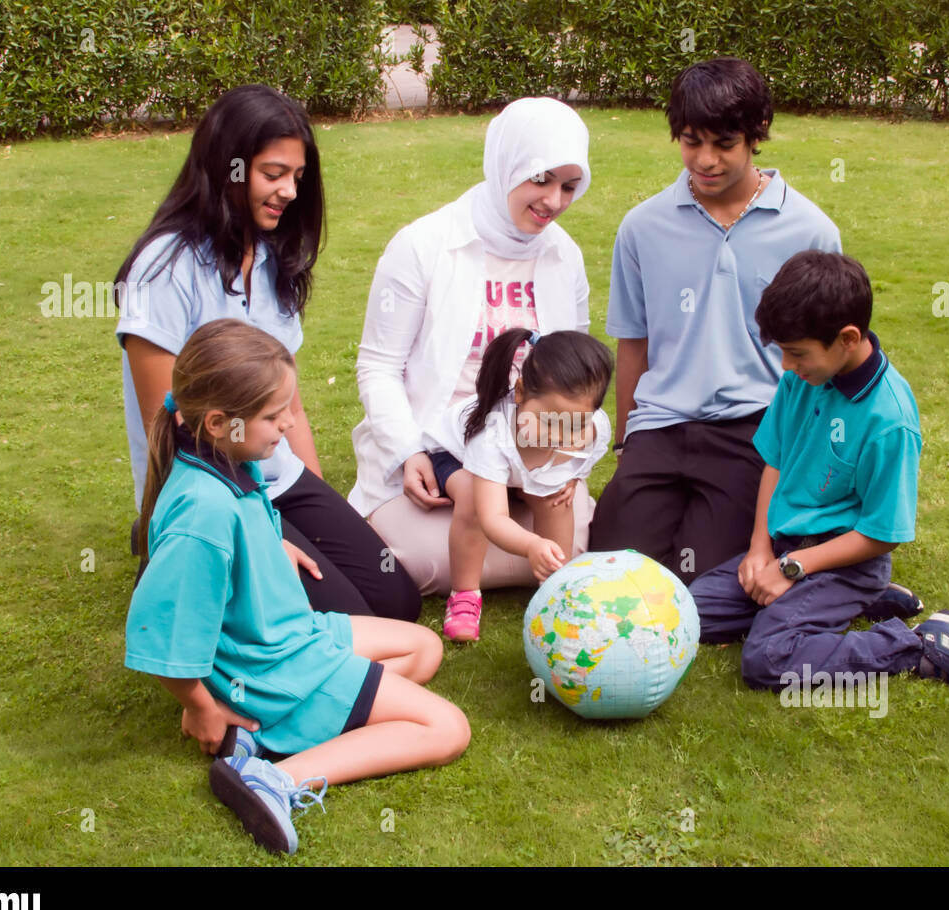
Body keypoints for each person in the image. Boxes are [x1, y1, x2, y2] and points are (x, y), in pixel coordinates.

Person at [125, 320, 471, 855]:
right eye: (272, 415)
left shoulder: (227, 464)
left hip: (294, 637)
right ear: (219, 422)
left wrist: (268, 544)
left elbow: (238, 536)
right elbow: (161, 629)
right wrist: (200, 706)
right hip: (274, 668)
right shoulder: (204, 510)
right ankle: (274, 780)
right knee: (448, 728)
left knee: (423, 646)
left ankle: (263, 735)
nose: (289, 423)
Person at [114, 84, 420, 621]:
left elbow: (290, 408)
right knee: (346, 620)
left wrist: (329, 509)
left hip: (276, 473)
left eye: (297, 177)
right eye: (273, 174)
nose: (290, 192)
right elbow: (176, 427)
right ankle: (170, 549)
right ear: (225, 167)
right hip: (209, 492)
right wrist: (255, 533)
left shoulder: (271, 258)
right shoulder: (164, 270)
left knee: (397, 601)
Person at [688, 251, 949, 696]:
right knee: (685, 615)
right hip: (783, 548)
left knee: (766, 659)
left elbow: (882, 532)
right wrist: (759, 551)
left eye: (796, 354)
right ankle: (851, 606)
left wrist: (793, 570)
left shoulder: (889, 420)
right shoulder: (805, 376)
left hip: (844, 563)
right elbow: (775, 461)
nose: (785, 367)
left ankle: (917, 644)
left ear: (848, 338)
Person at [590, 57, 852, 588]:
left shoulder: (812, 231)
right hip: (661, 424)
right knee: (609, 573)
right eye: (690, 142)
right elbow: (633, 342)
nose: (705, 160)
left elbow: (833, 363)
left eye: (723, 144)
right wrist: (625, 445)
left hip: (756, 429)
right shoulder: (642, 228)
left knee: (701, 580)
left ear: (756, 137)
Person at [350, 97, 596, 596]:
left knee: (563, 541)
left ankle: (511, 537)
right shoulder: (423, 245)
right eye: (541, 179)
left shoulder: (563, 256)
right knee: (422, 563)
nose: (554, 200)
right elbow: (378, 366)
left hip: (530, 448)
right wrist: (407, 452)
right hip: (441, 450)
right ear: (508, 164)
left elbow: (575, 371)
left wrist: (568, 455)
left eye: (570, 186)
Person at [423, 328, 613, 639]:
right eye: (546, 420)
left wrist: (574, 478)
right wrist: (531, 545)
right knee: (474, 502)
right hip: (454, 457)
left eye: (573, 425)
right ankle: (465, 594)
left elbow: (584, 457)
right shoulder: (492, 435)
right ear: (521, 392)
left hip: (515, 467)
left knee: (557, 498)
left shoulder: (589, 429)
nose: (558, 435)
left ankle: (556, 588)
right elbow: (493, 518)